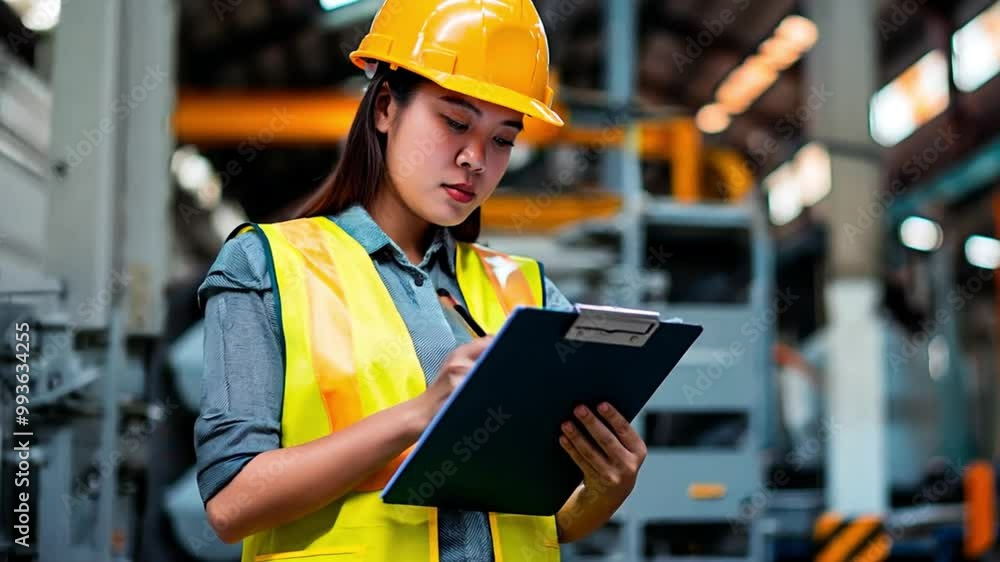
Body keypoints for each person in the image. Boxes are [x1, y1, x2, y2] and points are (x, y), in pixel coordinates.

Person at [194, 1, 649, 560]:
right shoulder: (267, 266)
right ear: (385, 107)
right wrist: (419, 414)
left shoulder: (527, 293)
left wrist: (605, 490)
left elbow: (543, 522)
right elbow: (231, 505)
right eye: (455, 122)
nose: (475, 158)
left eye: (503, 138)